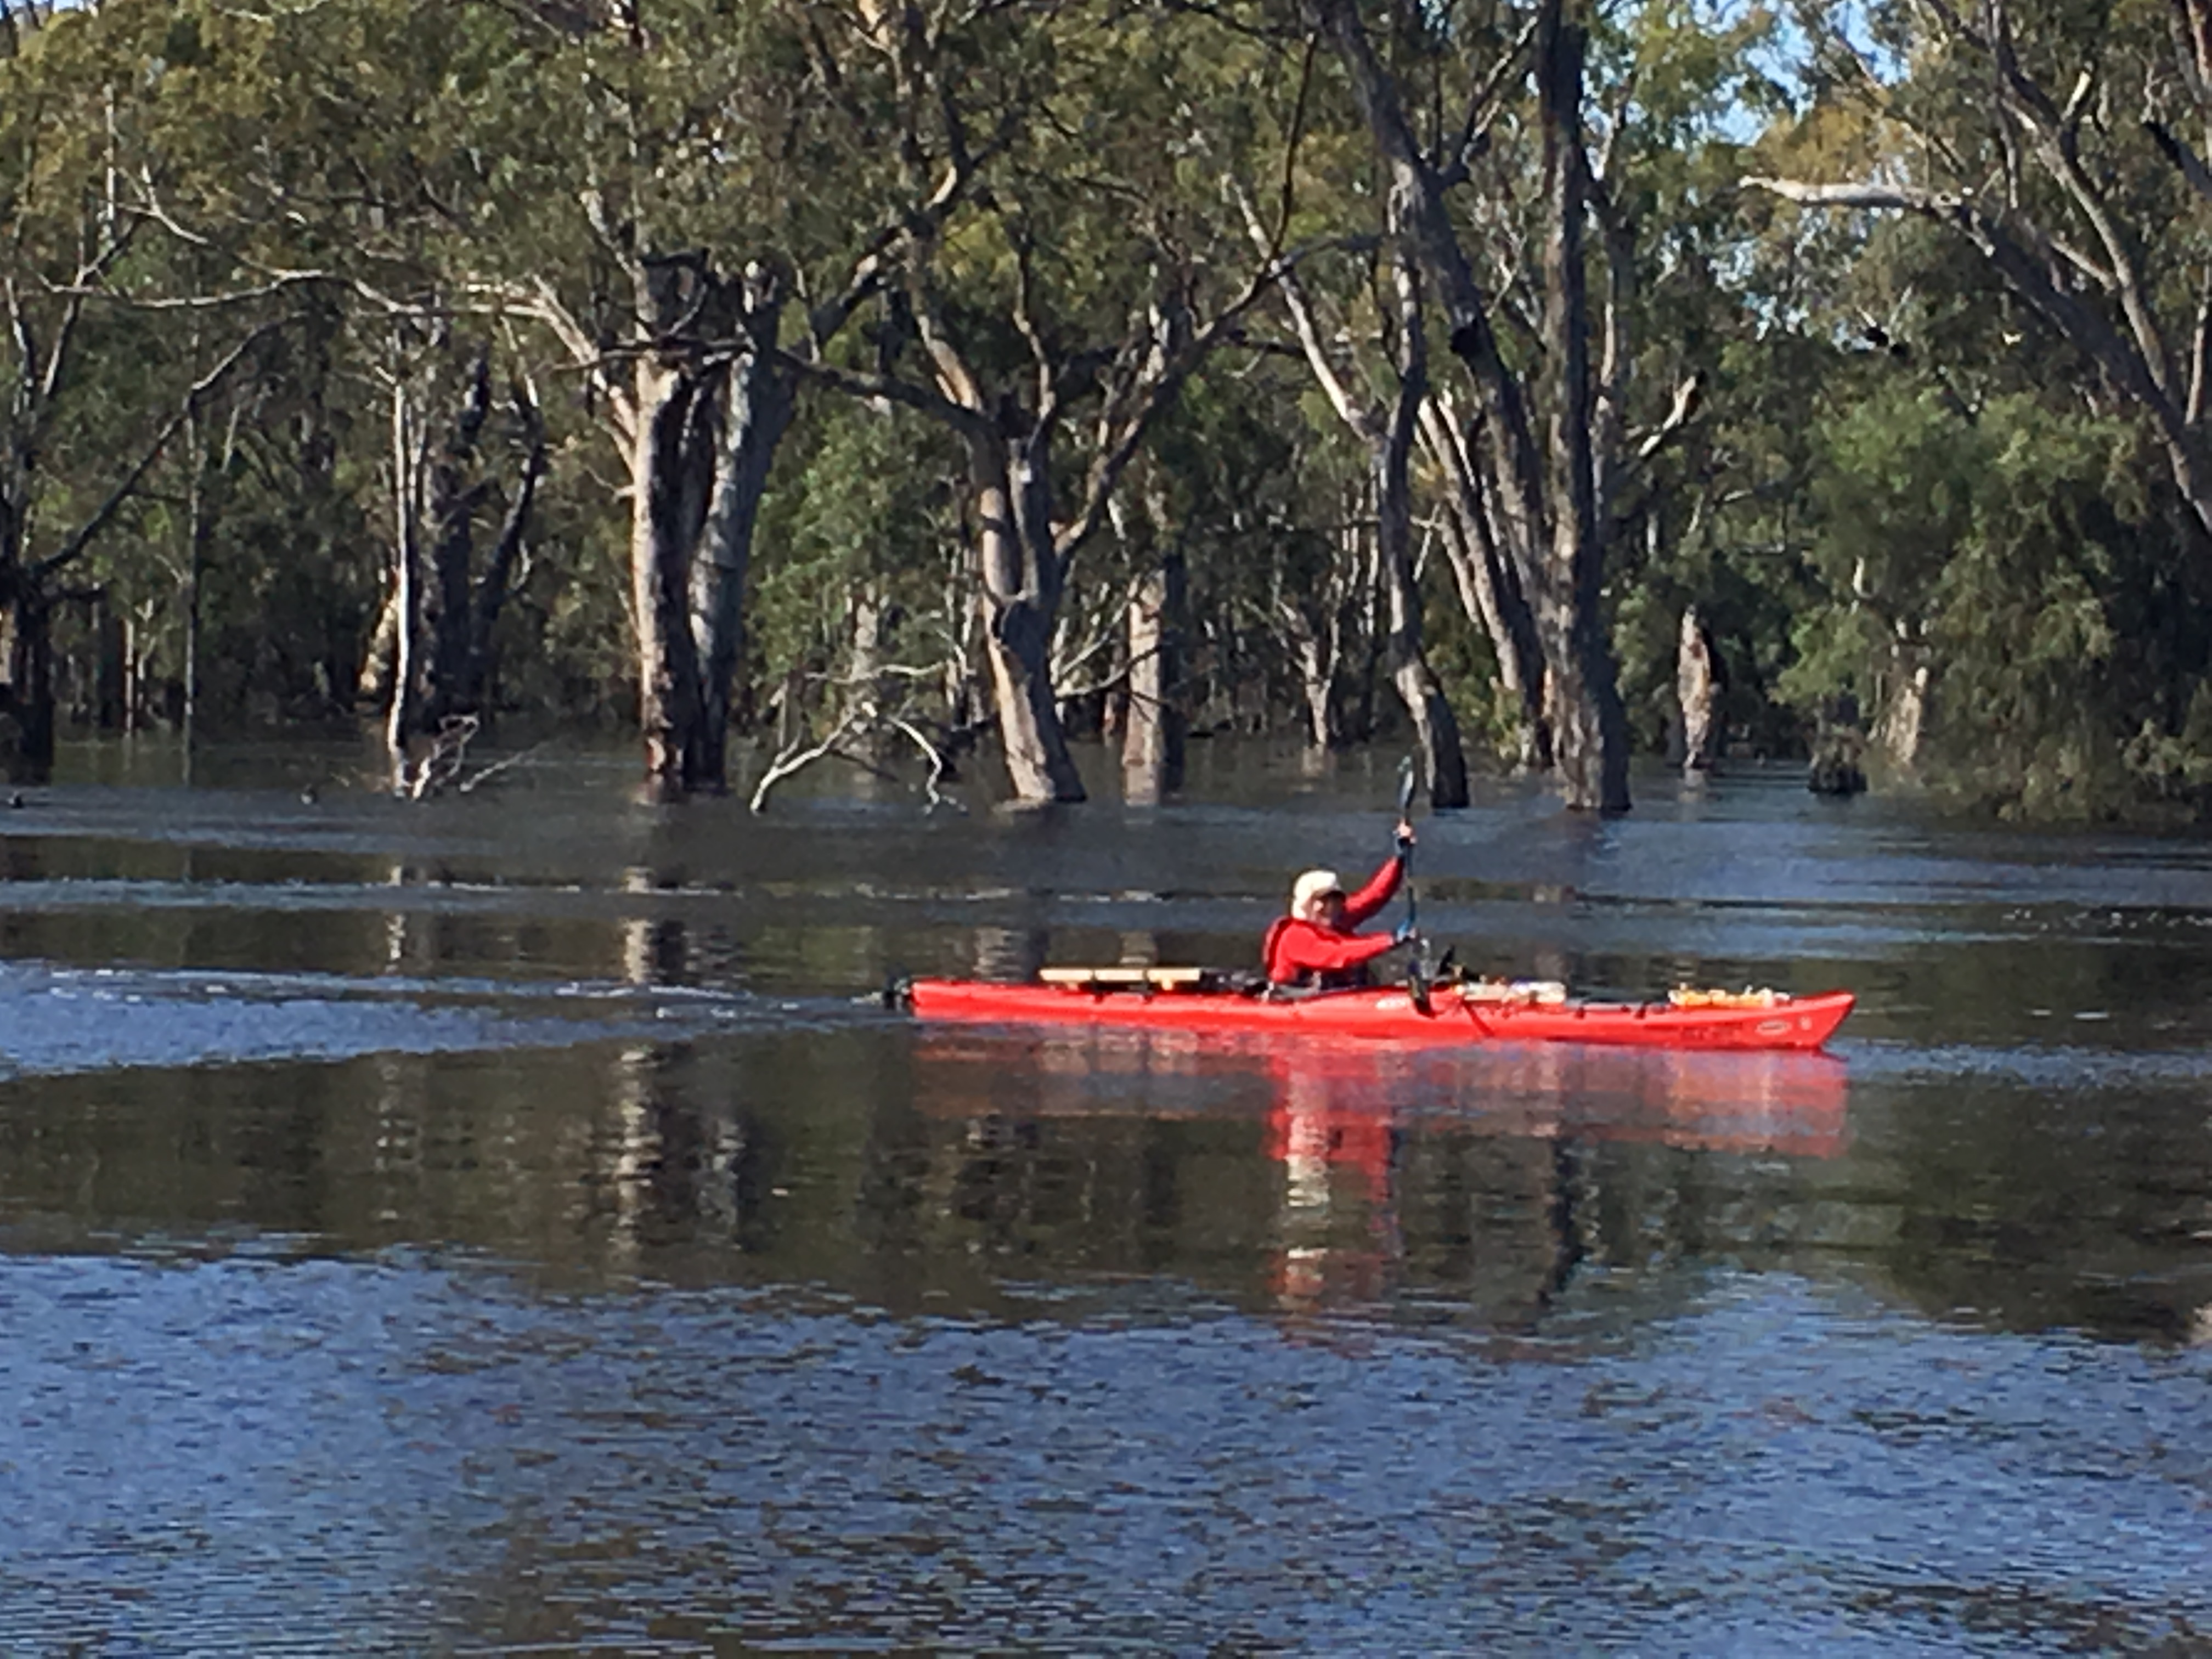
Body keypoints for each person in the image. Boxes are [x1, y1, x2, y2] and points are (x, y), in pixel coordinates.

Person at [1261, 820, 1417, 990]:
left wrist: (1398, 860)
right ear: (1311, 904)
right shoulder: (1294, 936)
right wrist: (1389, 940)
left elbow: (1375, 895)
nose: (1334, 907)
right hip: (1292, 1005)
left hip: (1333, 1001)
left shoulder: (1334, 918)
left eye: (1336, 900)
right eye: (1326, 901)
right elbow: (1338, 954)